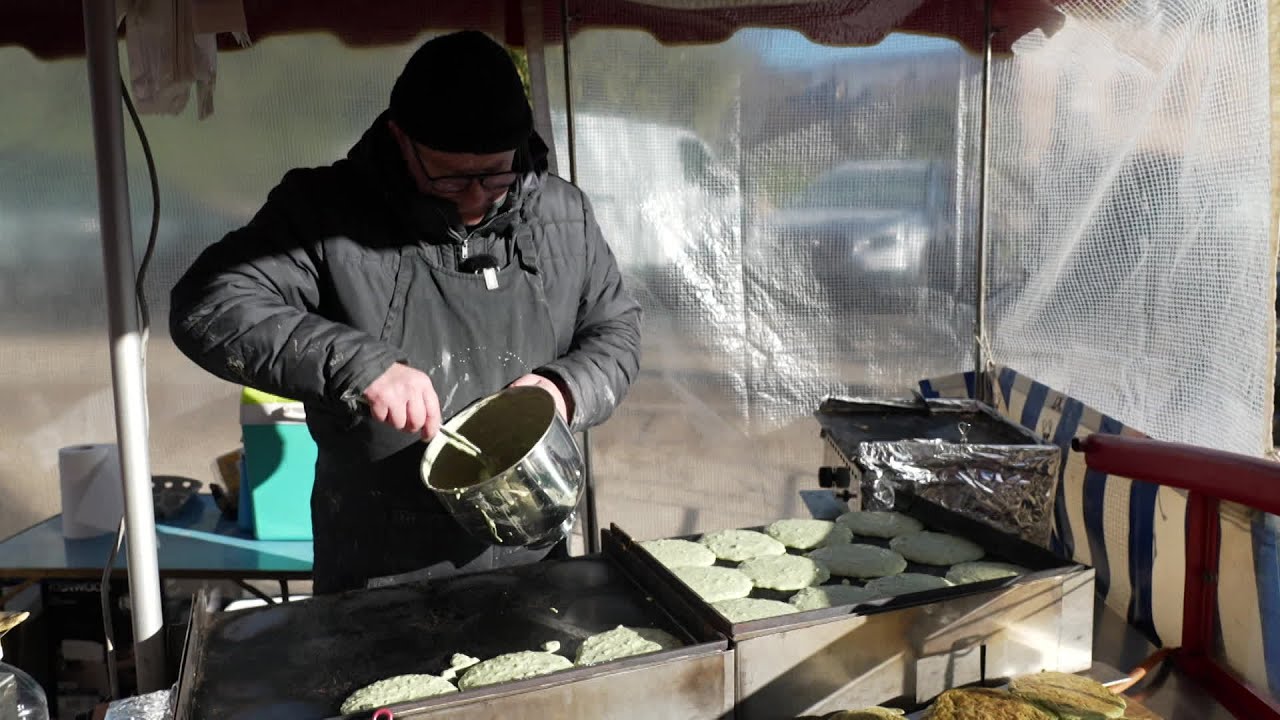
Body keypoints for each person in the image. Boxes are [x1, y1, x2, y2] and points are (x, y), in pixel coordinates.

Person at [169, 30, 642, 594]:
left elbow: (617, 330)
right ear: (399, 137)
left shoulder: (562, 215)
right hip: (378, 571)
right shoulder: (325, 215)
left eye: (494, 173)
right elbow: (208, 303)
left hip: (534, 559)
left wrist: (562, 391)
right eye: (449, 175)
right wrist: (358, 365)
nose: (474, 197)